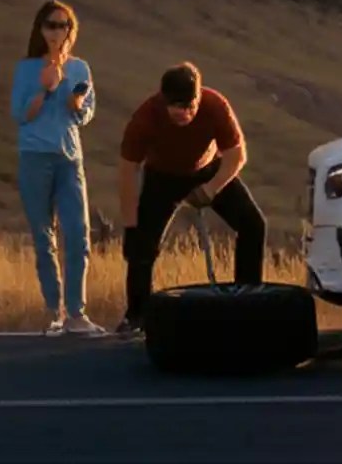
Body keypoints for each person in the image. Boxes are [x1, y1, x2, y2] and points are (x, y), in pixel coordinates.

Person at [114, 61, 267, 335]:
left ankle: (248, 300)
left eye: (190, 106)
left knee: (253, 225)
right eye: (177, 106)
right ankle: (137, 315)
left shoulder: (215, 105)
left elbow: (236, 154)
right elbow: (127, 171)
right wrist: (130, 222)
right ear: (164, 100)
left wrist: (211, 189)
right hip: (162, 175)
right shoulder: (145, 118)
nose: (184, 113)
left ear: (199, 97)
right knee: (141, 246)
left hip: (208, 170)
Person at [9, 0, 106, 336]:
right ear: (40, 29)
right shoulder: (26, 69)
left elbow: (85, 114)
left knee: (78, 234)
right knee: (43, 234)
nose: (57, 31)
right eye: (51, 24)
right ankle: (56, 311)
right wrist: (45, 88)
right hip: (35, 157)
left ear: (70, 31)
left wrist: (77, 103)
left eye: (63, 25)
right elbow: (21, 114)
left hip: (69, 158)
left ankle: (77, 313)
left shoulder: (80, 68)